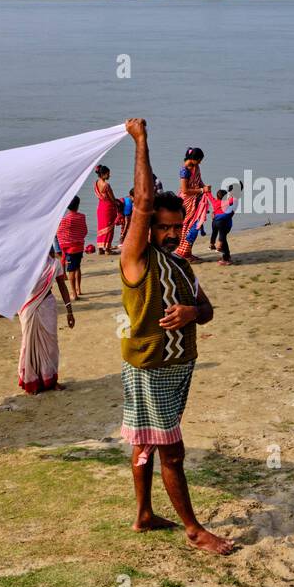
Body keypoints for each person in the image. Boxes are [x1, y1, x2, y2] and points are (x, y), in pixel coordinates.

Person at [118, 119, 233, 555]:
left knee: (145, 443)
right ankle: (193, 530)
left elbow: (207, 311)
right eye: (163, 227)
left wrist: (191, 312)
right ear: (148, 227)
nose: (171, 234)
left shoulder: (182, 265)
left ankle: (144, 515)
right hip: (151, 369)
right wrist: (141, 140)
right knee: (172, 451)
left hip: (178, 369)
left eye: (177, 227)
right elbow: (143, 202)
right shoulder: (137, 260)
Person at [18, 243, 75, 393]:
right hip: (29, 305)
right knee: (29, 344)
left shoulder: (54, 264)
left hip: (47, 305)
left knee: (51, 346)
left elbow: (62, 285)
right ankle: (32, 381)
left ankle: (51, 380)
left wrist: (69, 310)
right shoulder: (26, 263)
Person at [174, 148, 208, 263]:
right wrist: (202, 190)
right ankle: (183, 253)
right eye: (199, 160)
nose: (200, 162)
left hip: (196, 200)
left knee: (194, 226)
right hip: (187, 203)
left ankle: (188, 252)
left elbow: (199, 181)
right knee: (189, 227)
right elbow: (185, 190)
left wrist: (204, 188)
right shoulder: (184, 171)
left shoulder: (196, 167)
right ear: (193, 158)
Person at [55, 196, 88, 299]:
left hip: (70, 250)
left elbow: (59, 233)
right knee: (78, 267)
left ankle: (74, 293)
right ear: (78, 205)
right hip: (79, 247)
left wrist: (65, 243)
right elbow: (84, 231)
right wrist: (77, 239)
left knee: (71, 271)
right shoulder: (82, 216)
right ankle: (79, 290)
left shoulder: (65, 219)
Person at [93, 165, 122, 255]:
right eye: (108, 174)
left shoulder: (96, 183)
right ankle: (107, 249)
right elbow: (112, 199)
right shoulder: (106, 185)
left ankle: (100, 249)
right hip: (108, 208)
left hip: (100, 207)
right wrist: (119, 203)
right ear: (103, 174)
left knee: (101, 228)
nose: (109, 175)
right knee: (109, 229)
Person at [208, 183, 239, 265]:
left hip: (225, 223)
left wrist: (217, 216)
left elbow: (230, 214)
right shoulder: (228, 200)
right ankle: (226, 256)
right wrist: (215, 213)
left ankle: (226, 258)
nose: (230, 193)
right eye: (229, 191)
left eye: (231, 191)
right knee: (223, 239)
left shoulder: (232, 201)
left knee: (222, 239)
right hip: (222, 222)